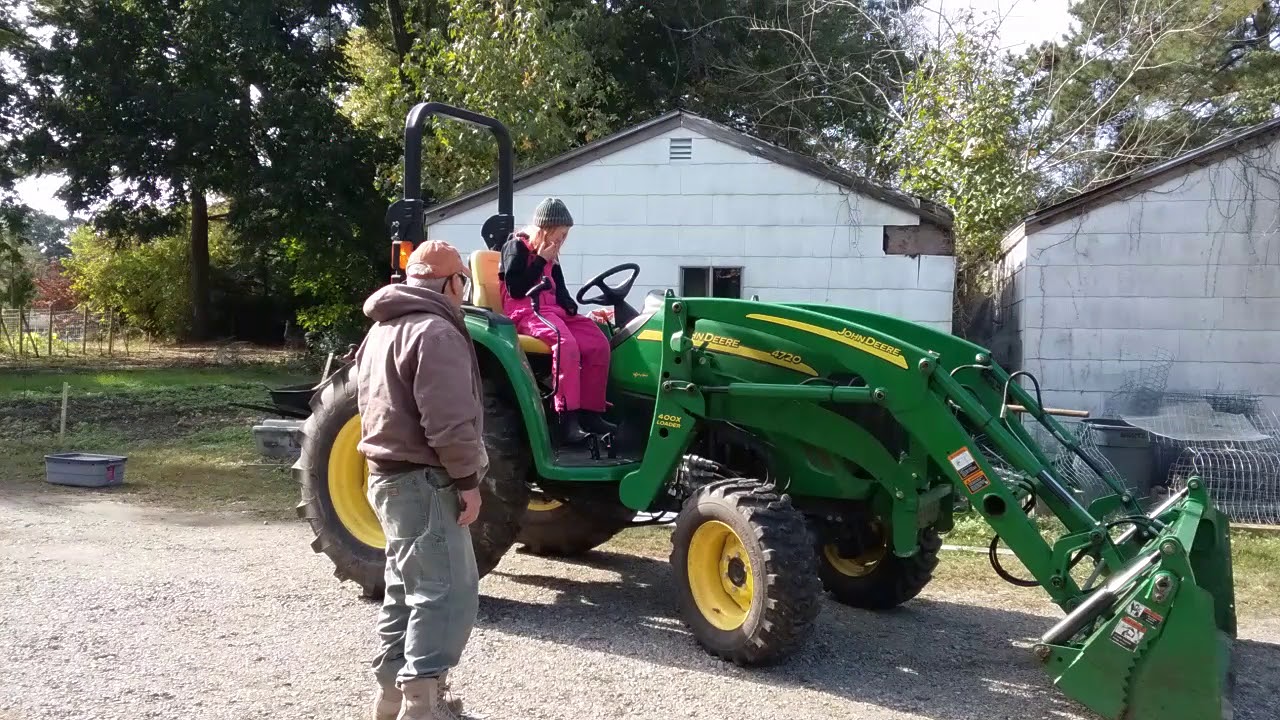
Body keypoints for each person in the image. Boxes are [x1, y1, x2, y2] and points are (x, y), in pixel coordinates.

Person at [352, 239, 487, 720]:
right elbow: (448, 423)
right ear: (452, 283)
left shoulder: (382, 330)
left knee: (403, 587)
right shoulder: (436, 333)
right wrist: (468, 481)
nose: (463, 292)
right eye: (463, 283)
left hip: (386, 478)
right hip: (426, 482)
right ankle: (423, 706)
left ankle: (389, 697)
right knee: (447, 593)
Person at [497, 197, 615, 443]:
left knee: (598, 341)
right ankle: (566, 418)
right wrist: (540, 260)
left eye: (565, 236)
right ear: (544, 230)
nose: (561, 241)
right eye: (559, 235)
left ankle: (591, 412)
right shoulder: (516, 247)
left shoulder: (554, 256)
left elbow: (560, 290)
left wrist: (571, 306)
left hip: (553, 312)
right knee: (565, 343)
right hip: (526, 311)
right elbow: (516, 289)